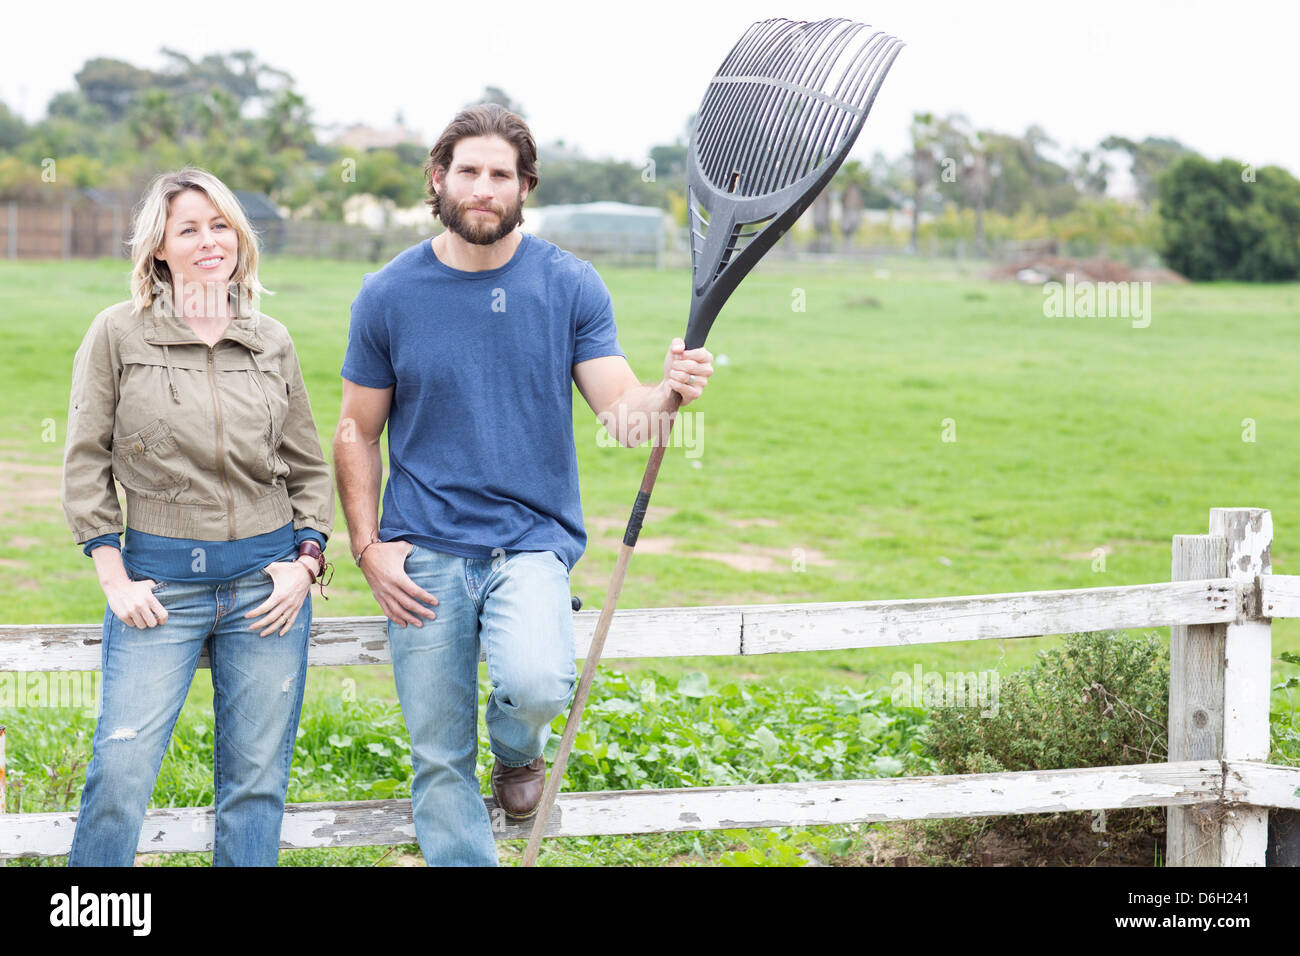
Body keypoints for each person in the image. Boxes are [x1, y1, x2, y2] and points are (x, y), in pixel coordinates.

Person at [334, 104, 714, 866]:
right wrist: (368, 547)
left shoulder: (568, 284)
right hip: (424, 554)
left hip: (530, 544)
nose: (483, 187)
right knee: (438, 758)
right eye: (468, 171)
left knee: (539, 686)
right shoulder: (388, 294)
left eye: (500, 175)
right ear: (439, 179)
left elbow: (625, 417)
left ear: (525, 186)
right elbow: (355, 431)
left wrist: (668, 392)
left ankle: (516, 748)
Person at [60, 167, 335, 867]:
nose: (209, 240)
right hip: (158, 588)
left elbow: (306, 464)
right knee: (122, 771)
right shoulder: (117, 334)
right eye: (189, 228)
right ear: (159, 249)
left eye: (220, 225)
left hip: (267, 591)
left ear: (239, 237)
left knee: (255, 784)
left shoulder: (270, 339)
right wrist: (114, 576)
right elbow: (86, 458)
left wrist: (307, 564)